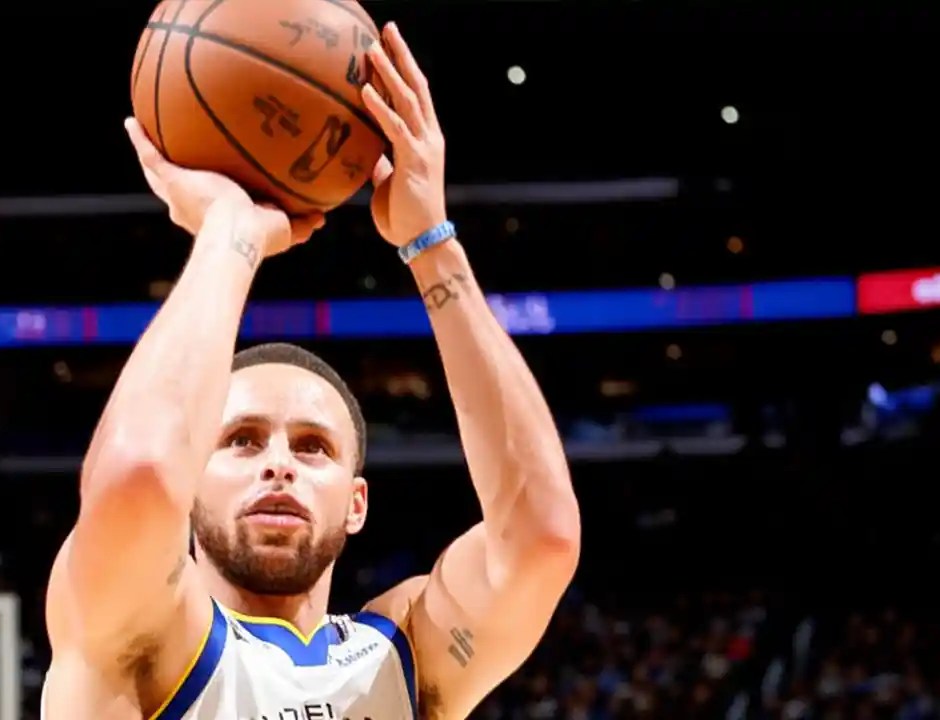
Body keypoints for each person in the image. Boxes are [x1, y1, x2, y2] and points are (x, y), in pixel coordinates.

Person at [43, 22, 581, 720]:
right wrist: (230, 234)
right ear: (192, 481)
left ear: (357, 502)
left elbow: (541, 534)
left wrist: (431, 242)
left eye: (312, 446)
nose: (279, 465)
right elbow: (136, 476)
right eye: (239, 439)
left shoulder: (404, 656)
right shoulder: (144, 638)